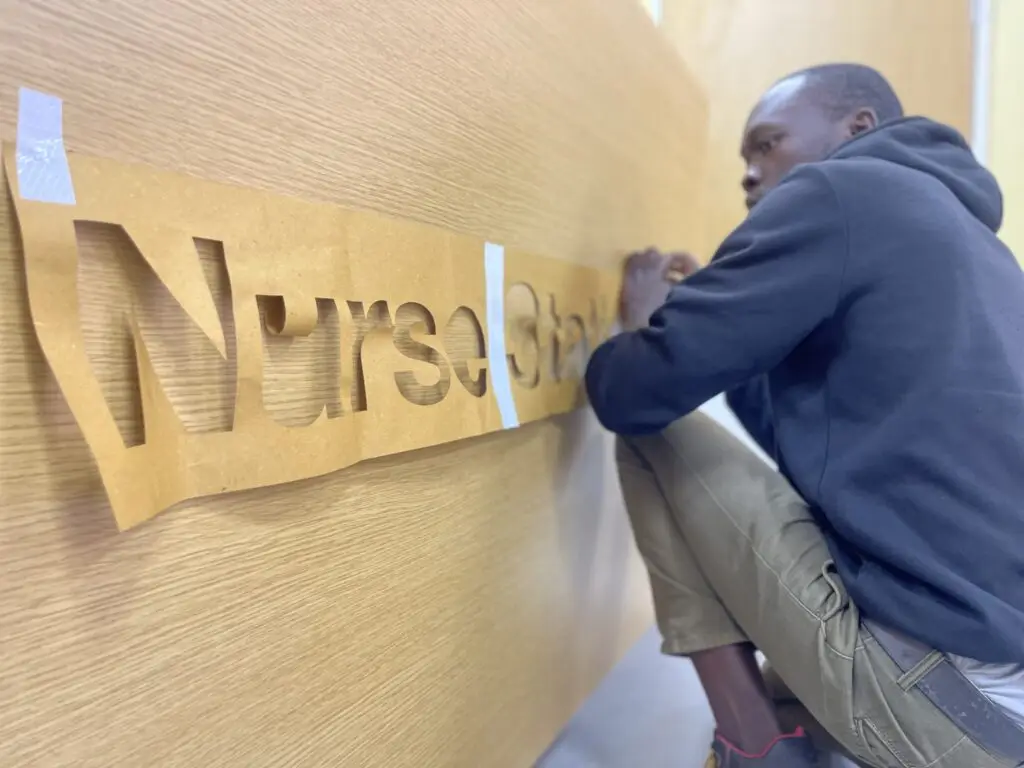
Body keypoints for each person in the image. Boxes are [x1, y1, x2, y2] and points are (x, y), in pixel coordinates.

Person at [584, 63, 1024, 768]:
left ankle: (757, 750)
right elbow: (823, 435)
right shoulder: (977, 245)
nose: (751, 176)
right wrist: (729, 318)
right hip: (1005, 705)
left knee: (648, 432)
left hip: (956, 714)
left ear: (857, 128)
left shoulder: (841, 189)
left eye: (766, 143)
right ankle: (791, 723)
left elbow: (633, 390)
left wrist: (642, 329)